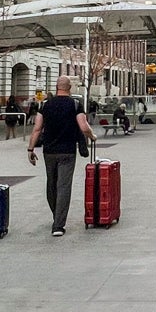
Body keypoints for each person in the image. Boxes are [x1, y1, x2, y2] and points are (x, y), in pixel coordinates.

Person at [27, 76, 94, 237]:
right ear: (69, 88)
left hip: (49, 151)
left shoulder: (45, 105)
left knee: (51, 184)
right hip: (67, 151)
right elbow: (84, 126)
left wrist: (30, 149)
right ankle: (58, 225)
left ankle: (56, 215)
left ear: (57, 87)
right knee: (63, 186)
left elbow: (37, 129)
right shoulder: (75, 104)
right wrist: (92, 136)